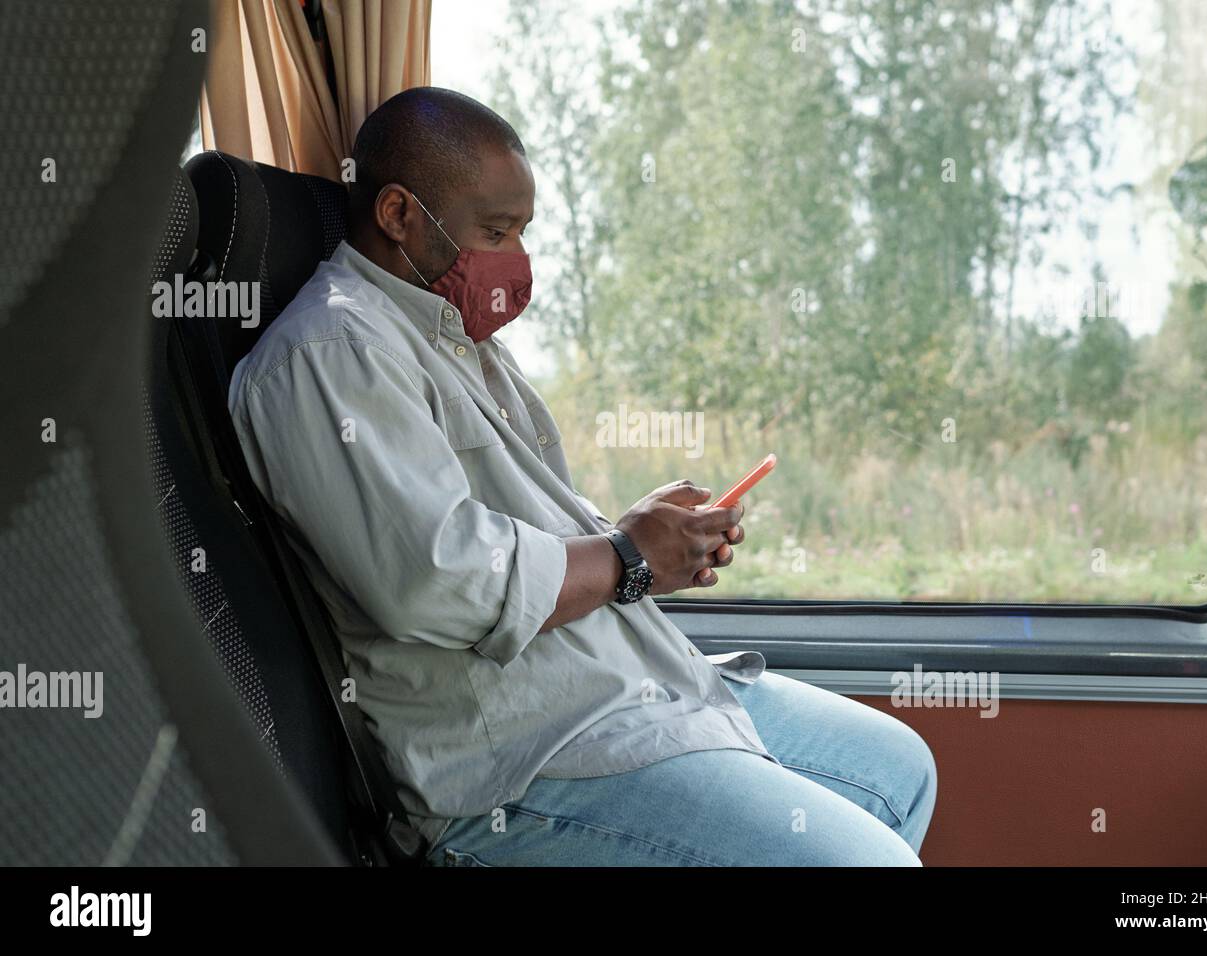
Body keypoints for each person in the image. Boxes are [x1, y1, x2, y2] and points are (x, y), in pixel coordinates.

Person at [228, 87, 936, 866]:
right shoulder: (332, 353)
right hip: (522, 757)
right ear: (399, 214)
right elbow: (435, 581)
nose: (515, 258)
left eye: (522, 231)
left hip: (611, 683)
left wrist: (641, 543)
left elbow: (525, 532)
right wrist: (627, 557)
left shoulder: (457, 340)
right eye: (495, 231)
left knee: (899, 770)